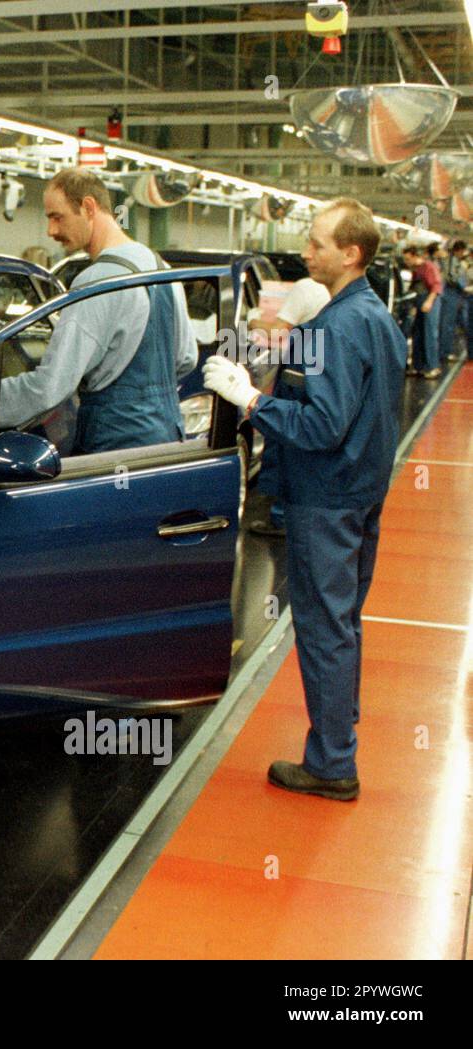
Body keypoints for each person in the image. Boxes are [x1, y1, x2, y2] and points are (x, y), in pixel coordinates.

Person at [203, 198, 406, 801]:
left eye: (317, 243)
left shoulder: (339, 325)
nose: (305, 251)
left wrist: (251, 400)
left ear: (351, 253)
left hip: (328, 498)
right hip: (361, 492)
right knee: (342, 622)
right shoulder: (371, 316)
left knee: (322, 626)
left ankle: (332, 764)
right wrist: (273, 358)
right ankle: (341, 728)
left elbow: (323, 426)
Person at [0, 166, 195, 454]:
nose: (51, 231)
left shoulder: (97, 282)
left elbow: (50, 385)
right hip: (167, 436)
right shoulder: (161, 268)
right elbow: (186, 358)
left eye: (57, 217)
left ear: (89, 207)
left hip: (116, 442)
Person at [245, 275, 331, 538]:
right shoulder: (333, 291)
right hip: (316, 370)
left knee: (285, 442)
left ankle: (281, 518)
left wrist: (251, 321)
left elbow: (278, 330)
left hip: (297, 373)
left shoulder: (305, 288)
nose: (308, 253)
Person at [402, 244, 442, 379]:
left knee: (429, 334)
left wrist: (429, 302)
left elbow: (436, 286)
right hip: (419, 302)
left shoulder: (429, 267)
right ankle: (418, 367)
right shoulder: (416, 269)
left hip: (429, 301)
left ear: (415, 256)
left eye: (408, 259)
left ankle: (433, 367)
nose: (407, 262)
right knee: (417, 334)